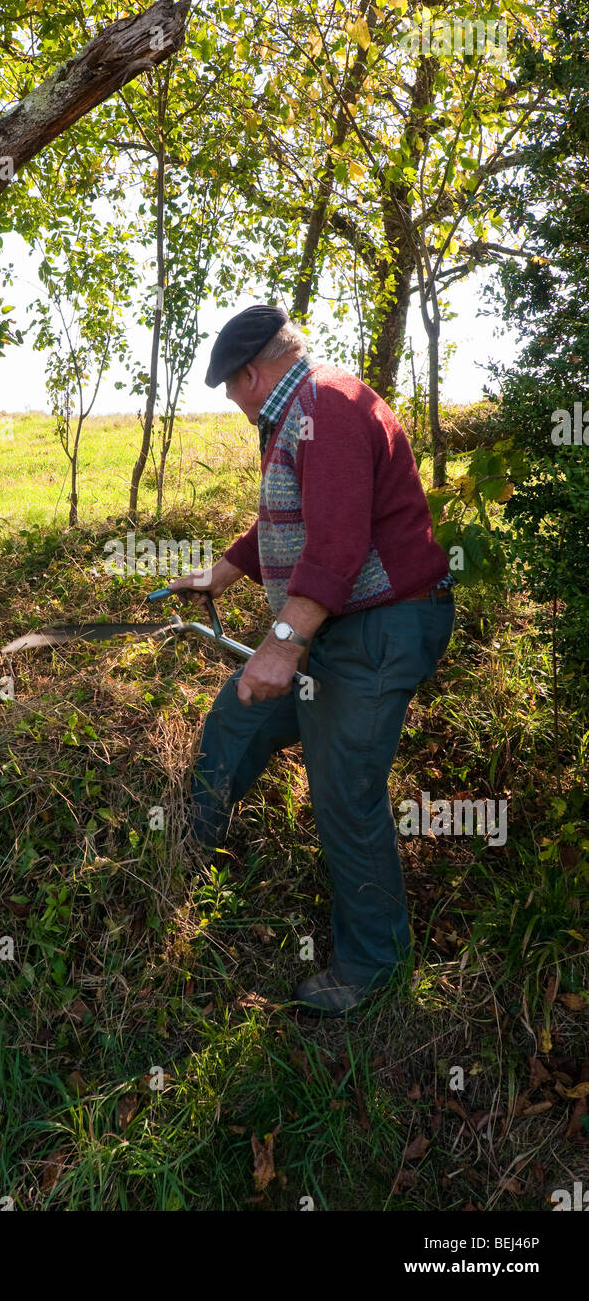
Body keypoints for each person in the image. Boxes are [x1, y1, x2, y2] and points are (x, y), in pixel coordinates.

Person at [167, 305, 455, 1018]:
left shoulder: (325, 406)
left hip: (376, 631)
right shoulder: (299, 410)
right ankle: (173, 865)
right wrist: (219, 577)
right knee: (236, 721)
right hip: (334, 627)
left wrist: (279, 646)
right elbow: (282, 516)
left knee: (345, 794)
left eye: (231, 392)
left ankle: (372, 969)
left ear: (251, 373)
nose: (234, 406)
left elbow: (337, 546)